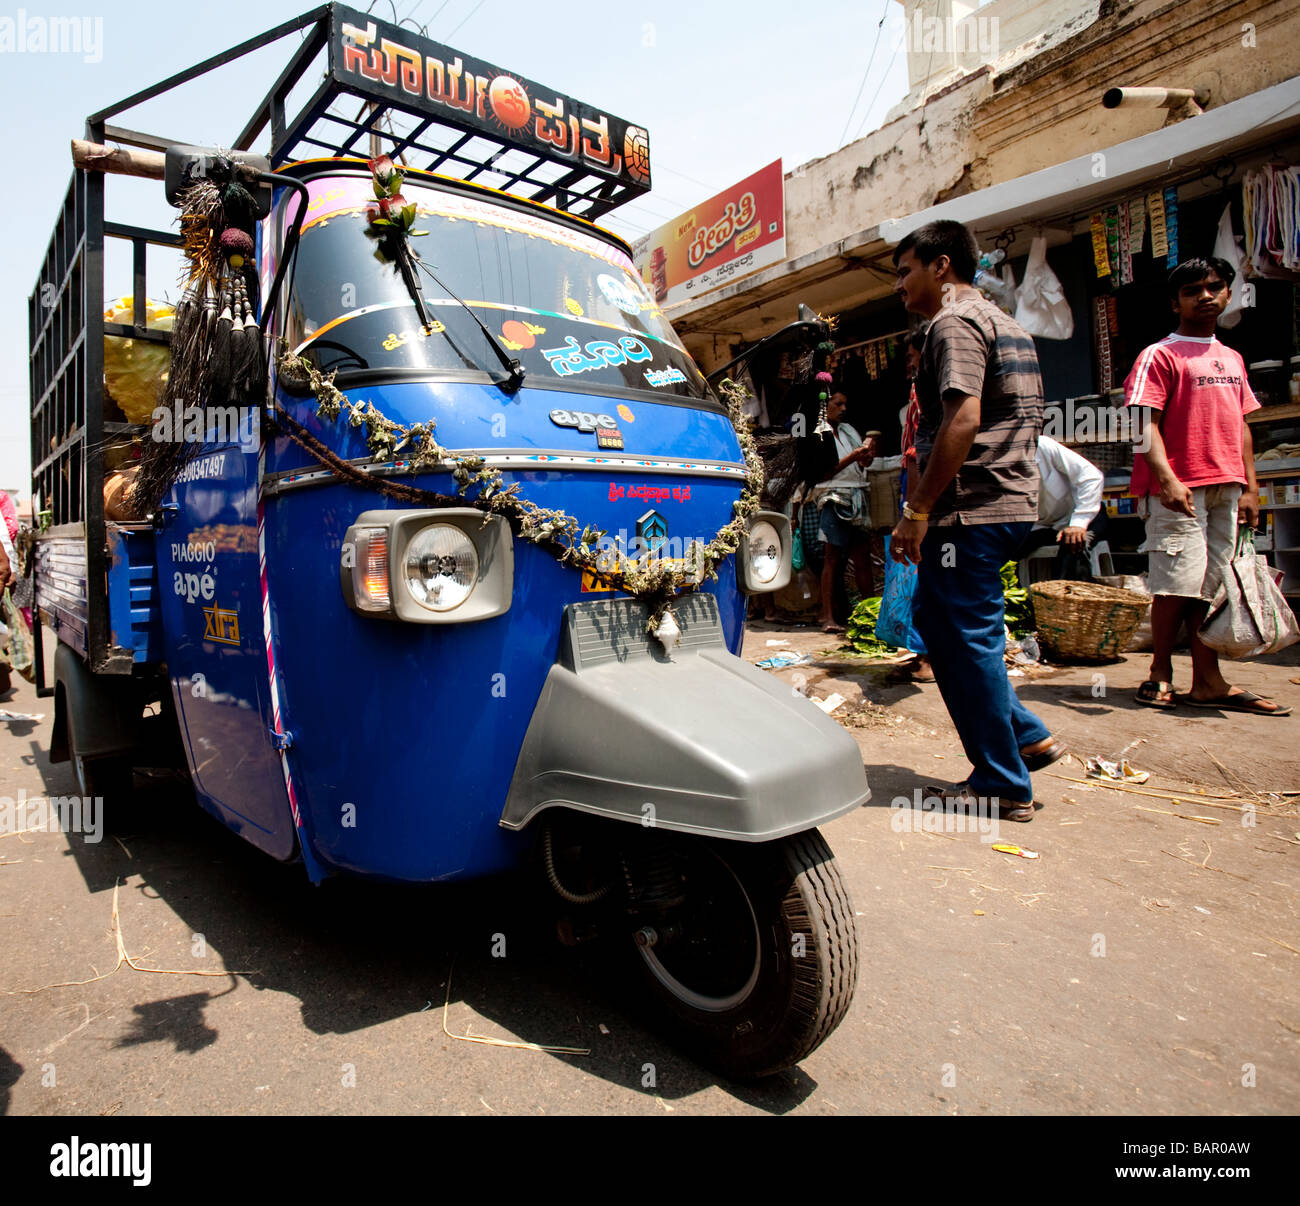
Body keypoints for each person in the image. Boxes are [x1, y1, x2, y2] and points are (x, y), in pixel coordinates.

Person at [890, 219, 1062, 823]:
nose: (901, 286)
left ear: (941, 266)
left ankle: (1001, 782)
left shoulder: (953, 323)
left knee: (967, 636)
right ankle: (1026, 735)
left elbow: (961, 422)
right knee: (945, 626)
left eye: (906, 270)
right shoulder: (1008, 322)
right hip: (1007, 503)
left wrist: (917, 511)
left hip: (970, 509)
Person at [1126, 256, 1290, 716]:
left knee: (1213, 588)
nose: (1205, 296)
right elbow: (1143, 425)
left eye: (1214, 287)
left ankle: (1208, 682)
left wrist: (1251, 488)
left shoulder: (1232, 358)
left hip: (1227, 487)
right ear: (1174, 301)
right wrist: (1167, 479)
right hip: (1179, 489)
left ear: (1228, 293)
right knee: (1175, 584)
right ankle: (1159, 671)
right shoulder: (1158, 355)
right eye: (1193, 290)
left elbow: (1241, 427)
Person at [885, 329, 933, 681]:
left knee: (921, 573)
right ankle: (925, 650)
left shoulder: (924, 389)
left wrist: (913, 510)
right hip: (920, 486)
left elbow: (915, 455)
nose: (911, 364)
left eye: (913, 356)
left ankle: (928, 654)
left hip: (920, 488)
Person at [814, 389, 877, 633]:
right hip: (833, 497)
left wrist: (865, 457)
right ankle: (827, 617)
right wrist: (853, 457)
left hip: (857, 494)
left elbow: (863, 462)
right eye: (838, 404)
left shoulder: (849, 430)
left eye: (844, 404)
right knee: (831, 558)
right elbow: (823, 472)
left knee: (862, 557)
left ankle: (871, 611)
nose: (843, 408)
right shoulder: (819, 433)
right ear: (825, 406)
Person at [1014, 433, 1105, 570]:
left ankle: (1069, 590)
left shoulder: (1043, 445)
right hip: (1043, 525)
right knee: (1006, 552)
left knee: (1074, 545)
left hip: (1082, 514)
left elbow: (1091, 476)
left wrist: (1078, 523)